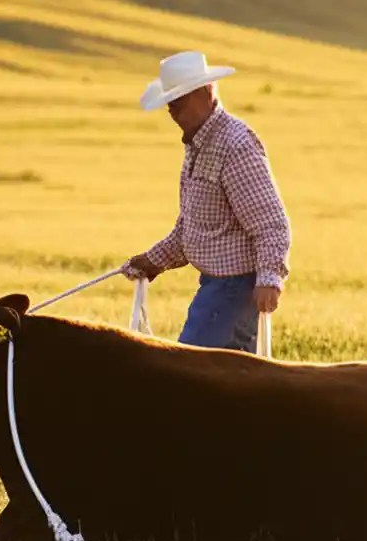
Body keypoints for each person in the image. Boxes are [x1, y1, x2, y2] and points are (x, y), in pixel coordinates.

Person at [121, 51, 291, 352]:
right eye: (170, 107)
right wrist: (153, 261)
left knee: (190, 374)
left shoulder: (235, 146)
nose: (173, 114)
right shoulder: (198, 145)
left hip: (235, 291)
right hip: (214, 289)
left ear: (205, 92)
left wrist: (269, 278)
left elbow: (271, 224)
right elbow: (192, 227)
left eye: (178, 104)